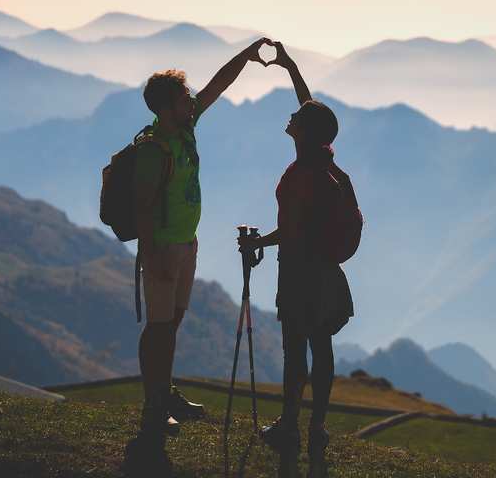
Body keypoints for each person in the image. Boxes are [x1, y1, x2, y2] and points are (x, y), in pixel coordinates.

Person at [135, 37, 272, 439]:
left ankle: (165, 392)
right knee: (159, 327)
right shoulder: (153, 147)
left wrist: (246, 56)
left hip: (185, 243)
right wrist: (151, 254)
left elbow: (216, 87)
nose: (191, 103)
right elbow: (142, 207)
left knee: (172, 322)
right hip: (163, 247)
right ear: (165, 108)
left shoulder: (185, 129)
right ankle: (154, 405)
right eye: (183, 99)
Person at [238, 42, 354, 468]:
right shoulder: (325, 162)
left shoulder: (304, 172)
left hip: (301, 274)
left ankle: (289, 424)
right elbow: (312, 109)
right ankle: (316, 427)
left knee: (295, 350)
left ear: (303, 131)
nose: (290, 117)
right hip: (328, 272)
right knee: (322, 348)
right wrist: (291, 68)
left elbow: (290, 232)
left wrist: (256, 244)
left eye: (295, 119)